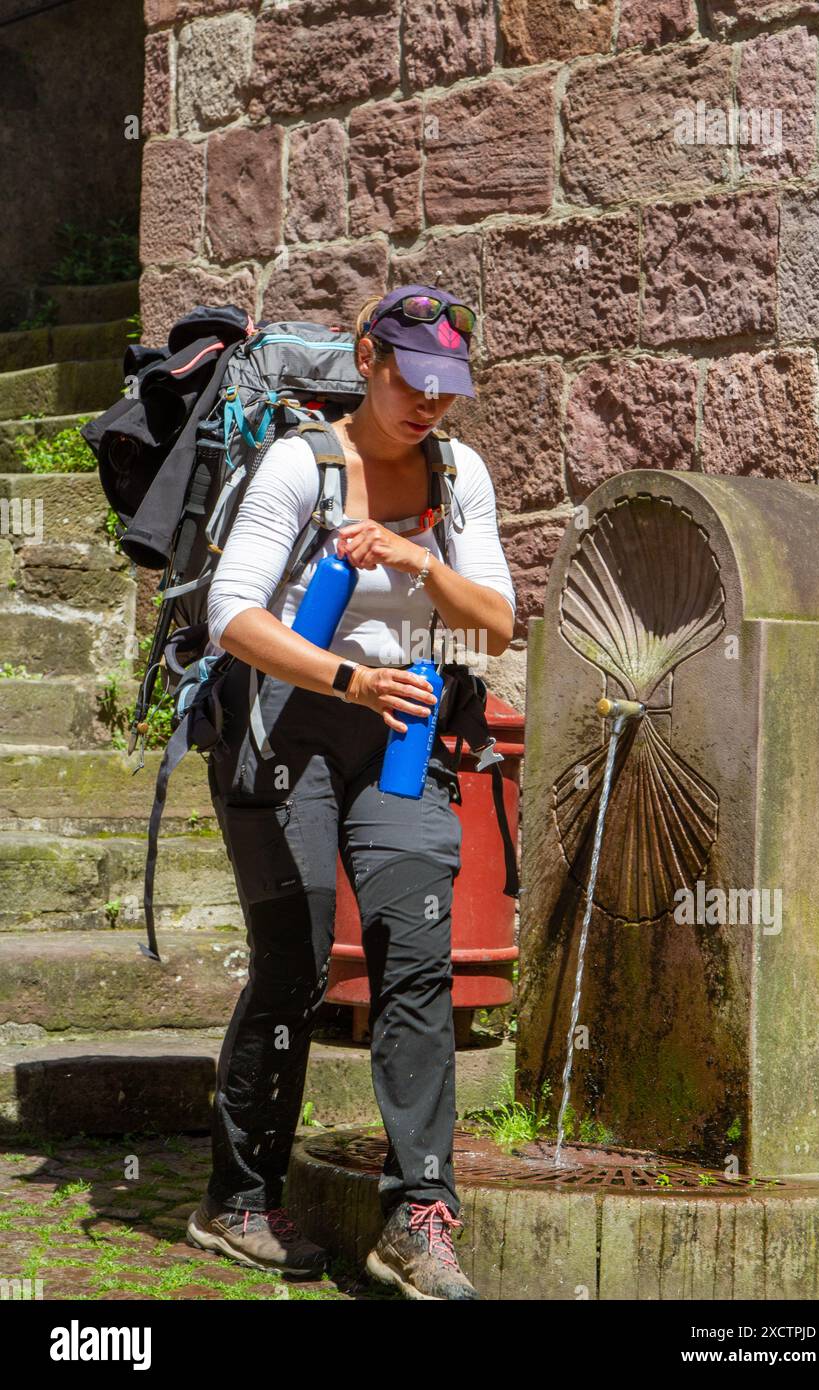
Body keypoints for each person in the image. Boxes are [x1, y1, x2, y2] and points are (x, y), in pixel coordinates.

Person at [185, 284, 516, 1300]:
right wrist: (346, 678)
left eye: (445, 388)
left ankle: (419, 1216)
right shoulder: (298, 464)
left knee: (413, 956)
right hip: (287, 717)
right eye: (411, 381)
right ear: (368, 358)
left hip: (404, 724)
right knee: (293, 961)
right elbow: (229, 615)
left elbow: (495, 623)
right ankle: (239, 1196)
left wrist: (421, 559)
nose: (427, 404)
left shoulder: (457, 475)